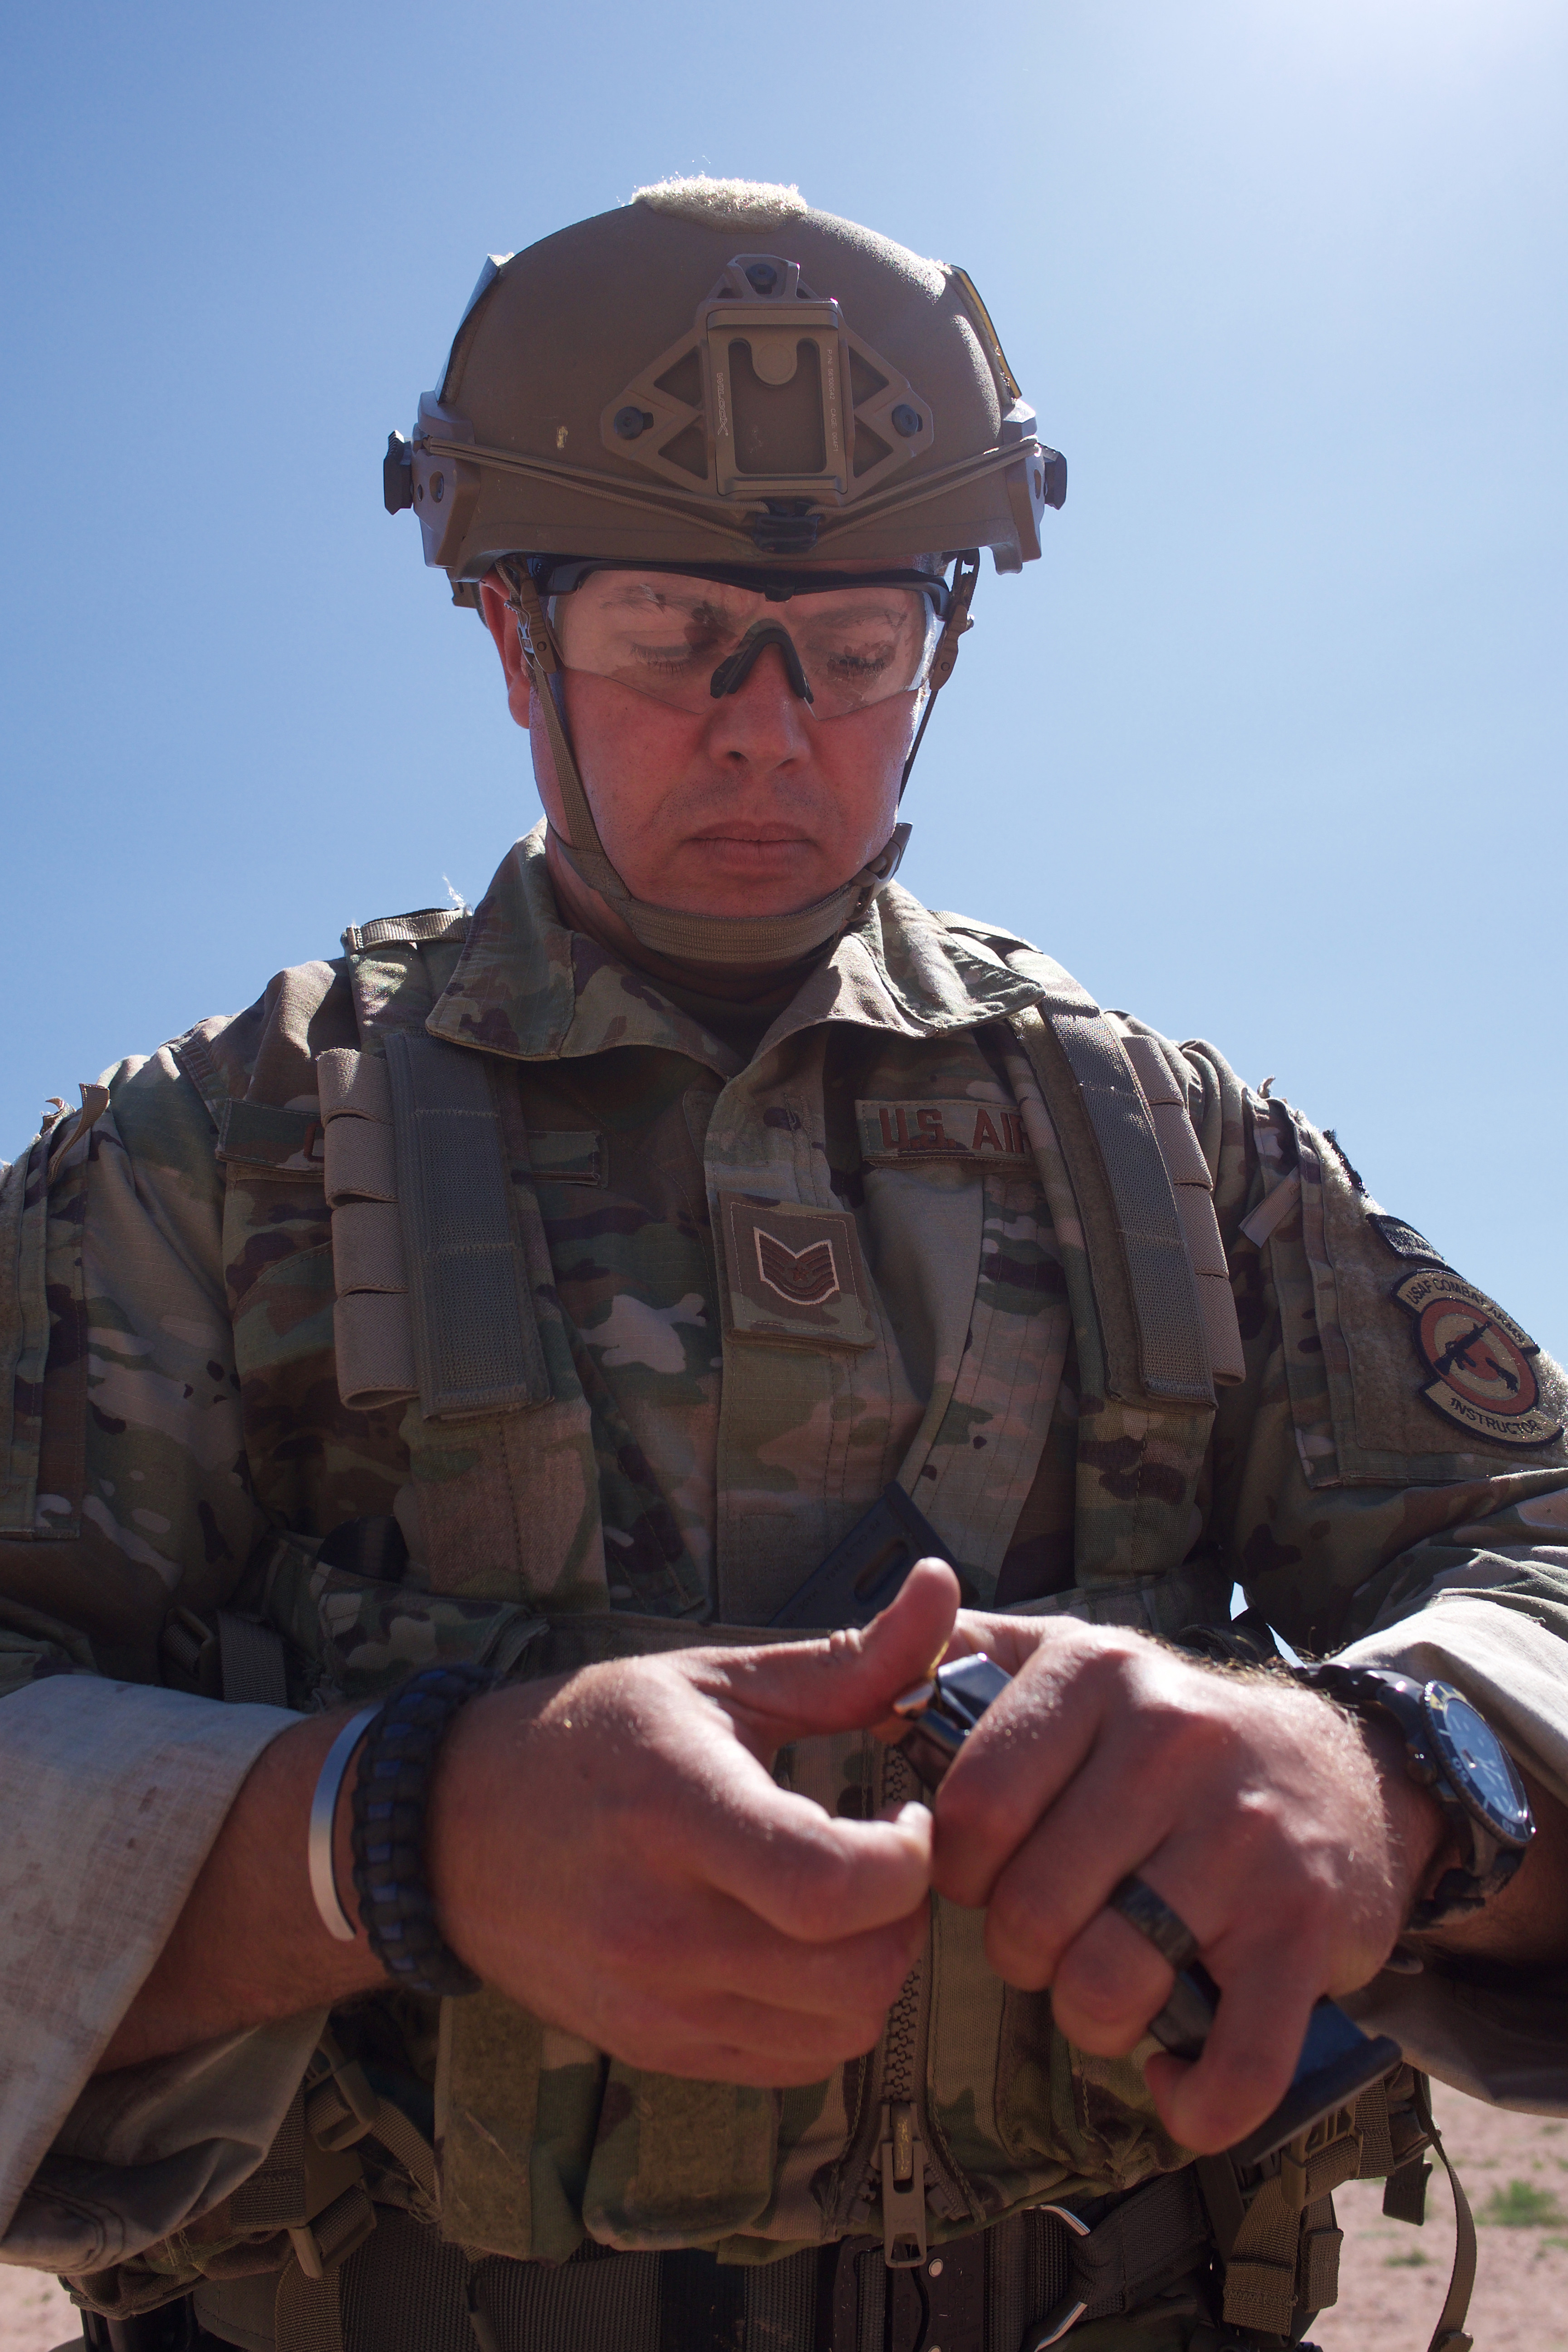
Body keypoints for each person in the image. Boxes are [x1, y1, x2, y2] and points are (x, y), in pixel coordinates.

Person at [2, 175, 1566, 2352]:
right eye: (670, 636)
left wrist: (1402, 1773)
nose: (768, 728)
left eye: (852, 652)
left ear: (941, 651)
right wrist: (382, 1836)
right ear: (510, 637)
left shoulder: (1174, 1141)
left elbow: (1539, 1548)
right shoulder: (220, 1146)